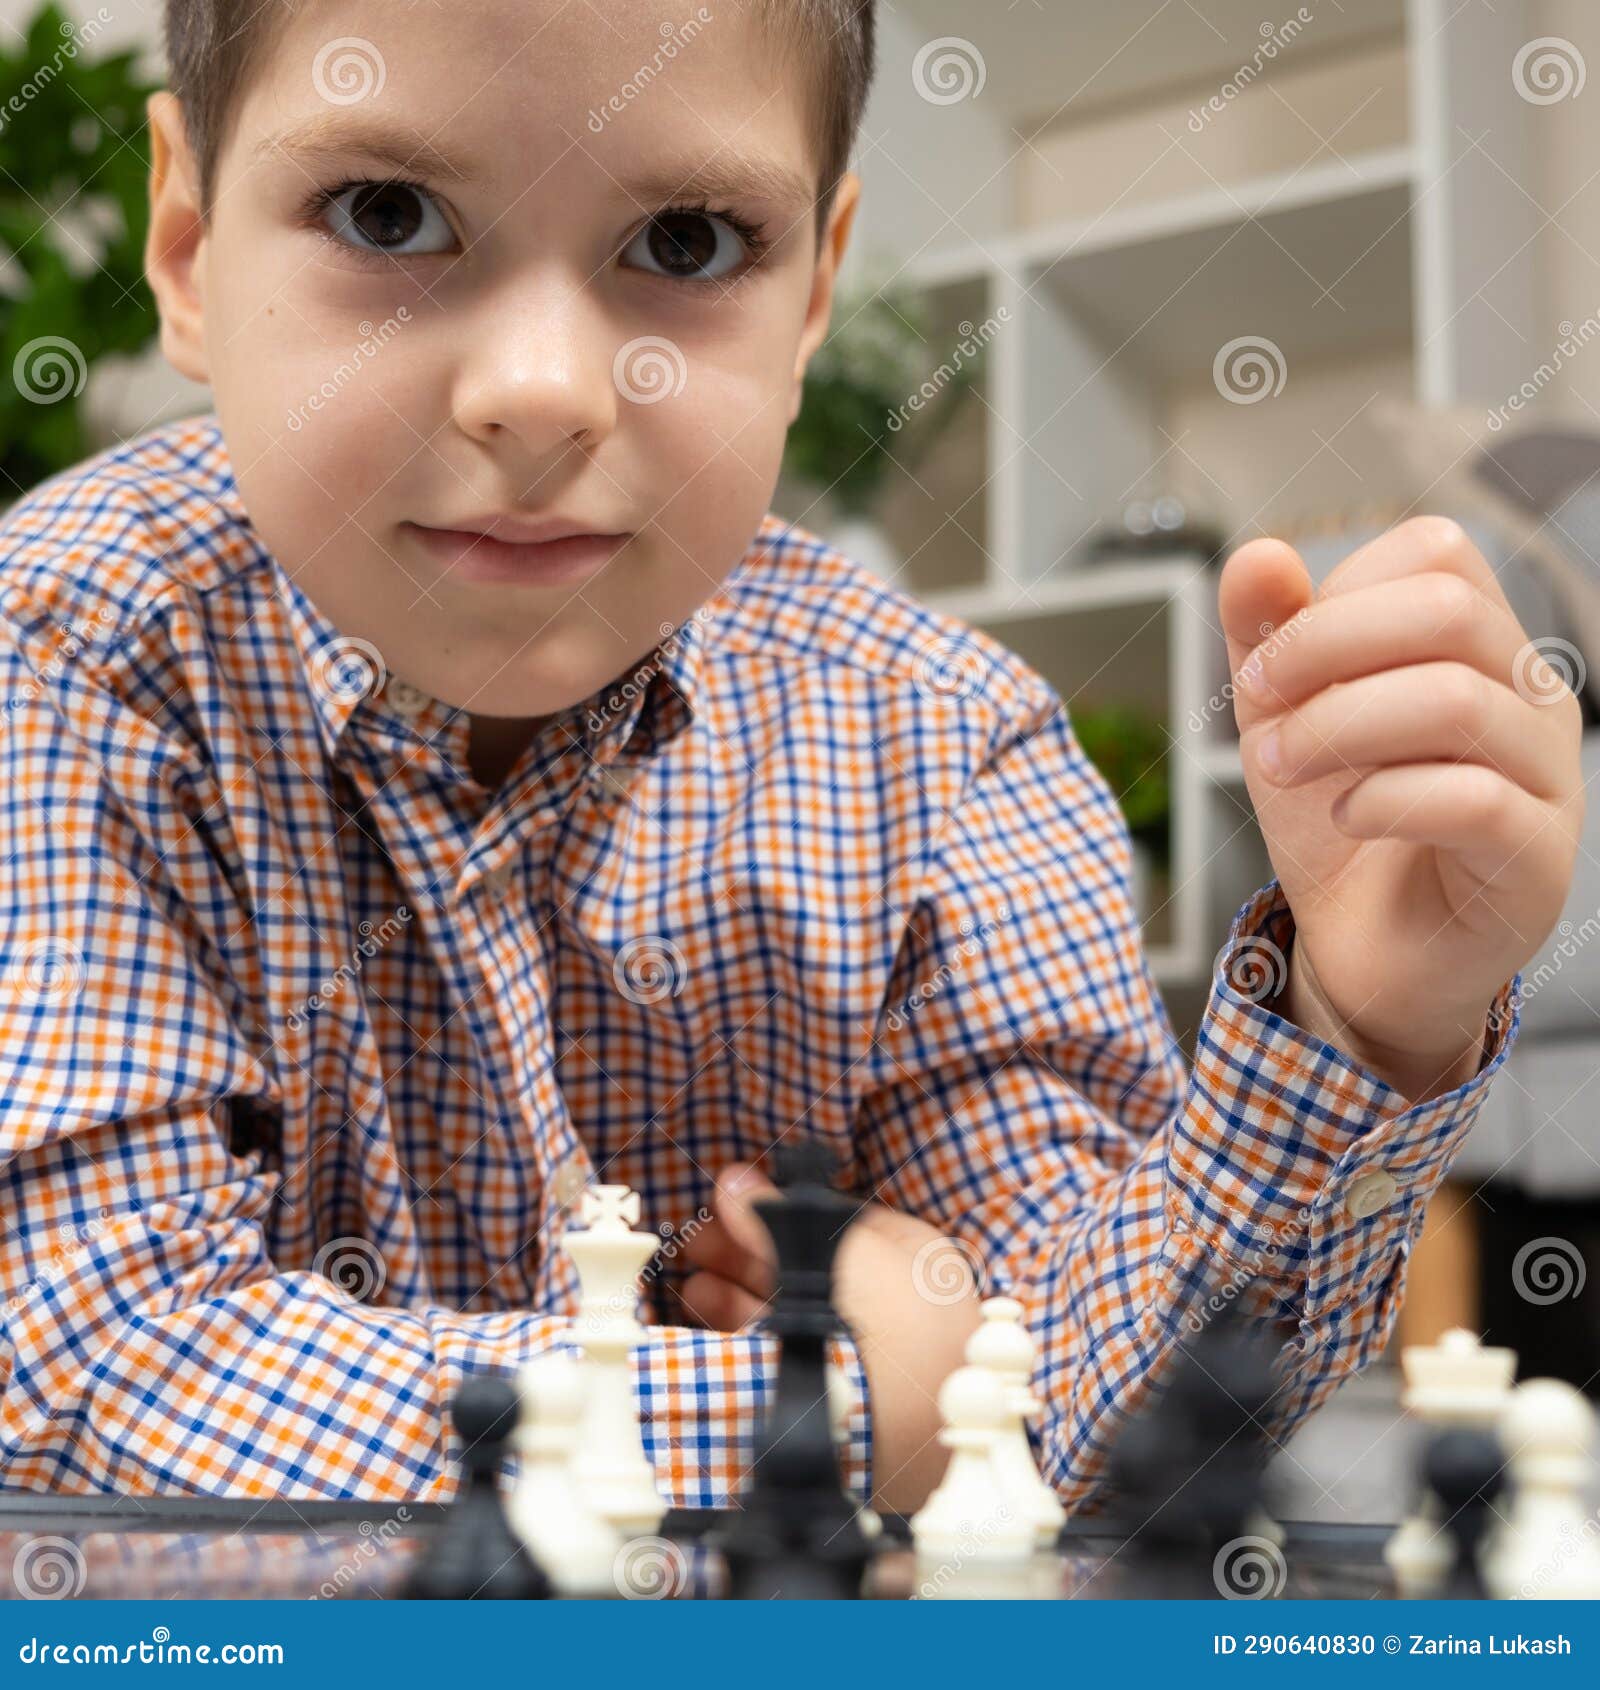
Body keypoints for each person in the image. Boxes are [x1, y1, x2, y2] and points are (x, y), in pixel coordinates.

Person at [0, 0, 1581, 1517]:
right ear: (193, 247)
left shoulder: (949, 744)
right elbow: (92, 1367)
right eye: (388, 214)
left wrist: (1362, 1015)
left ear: (813, 284)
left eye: (684, 241)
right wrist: (839, 1413)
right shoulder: (60, 646)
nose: (542, 393)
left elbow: (1135, 1426)